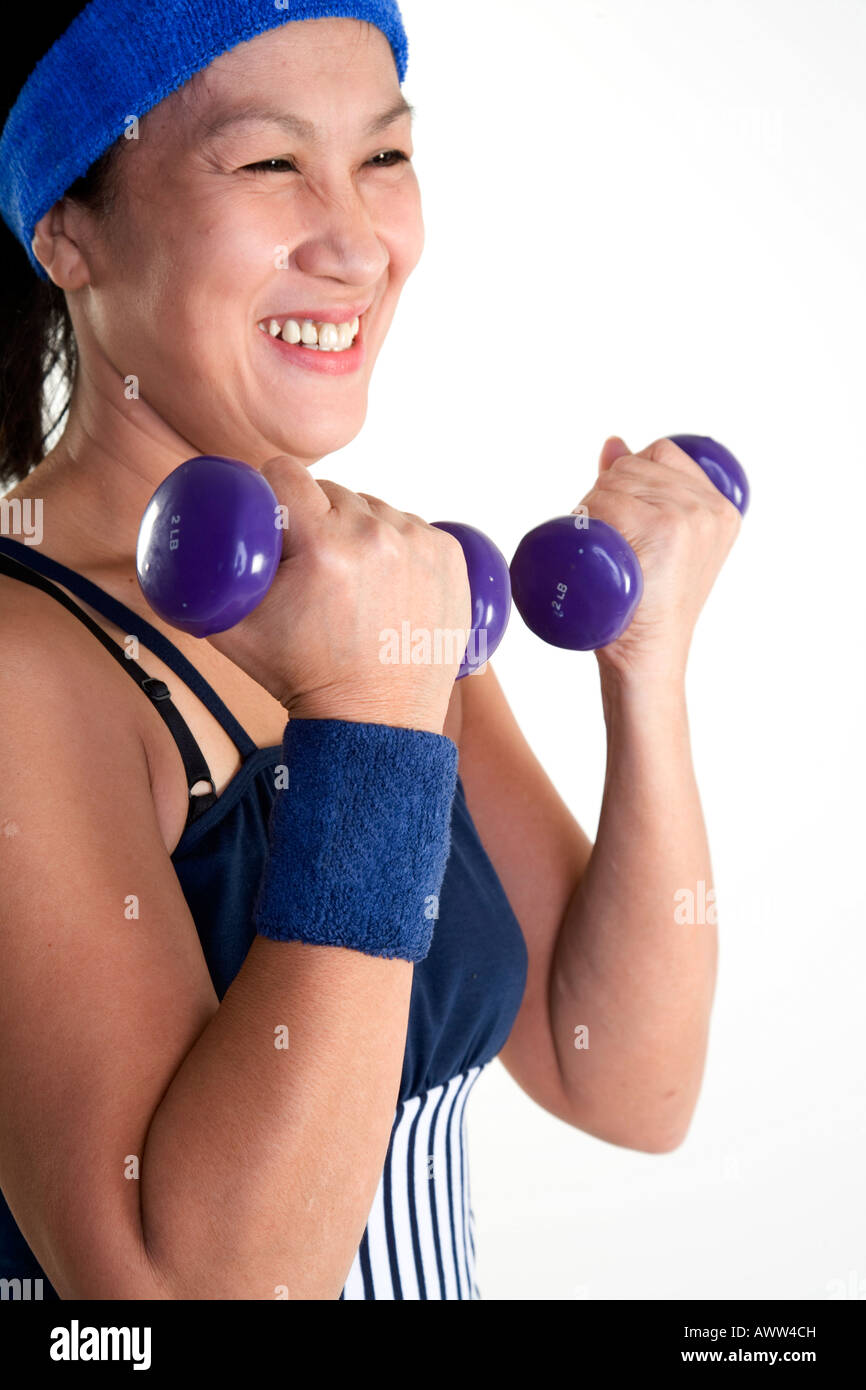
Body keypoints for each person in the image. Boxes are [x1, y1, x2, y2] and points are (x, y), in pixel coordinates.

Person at [0, 2, 742, 1301]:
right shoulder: (24, 659)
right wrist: (372, 723)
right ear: (69, 230)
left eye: (385, 158)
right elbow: (170, 1296)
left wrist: (647, 661)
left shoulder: (366, 584)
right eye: (270, 162)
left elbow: (620, 1076)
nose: (356, 243)